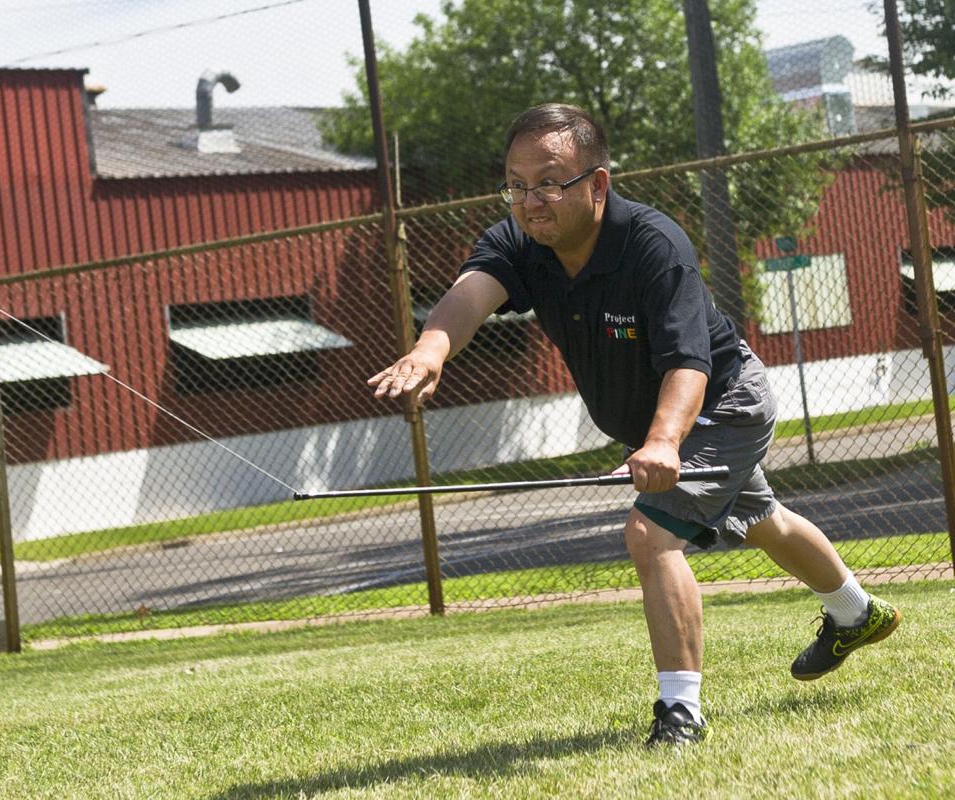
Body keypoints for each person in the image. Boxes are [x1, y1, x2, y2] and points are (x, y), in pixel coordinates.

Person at [367, 103, 901, 747]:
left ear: (597, 183)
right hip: (660, 426)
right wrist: (430, 351)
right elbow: (470, 296)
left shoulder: (653, 245)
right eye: (516, 182)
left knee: (651, 534)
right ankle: (856, 613)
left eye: (549, 181)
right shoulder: (518, 242)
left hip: (720, 402)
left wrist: (663, 441)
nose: (531, 199)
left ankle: (681, 713)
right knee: (762, 521)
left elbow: (688, 360)